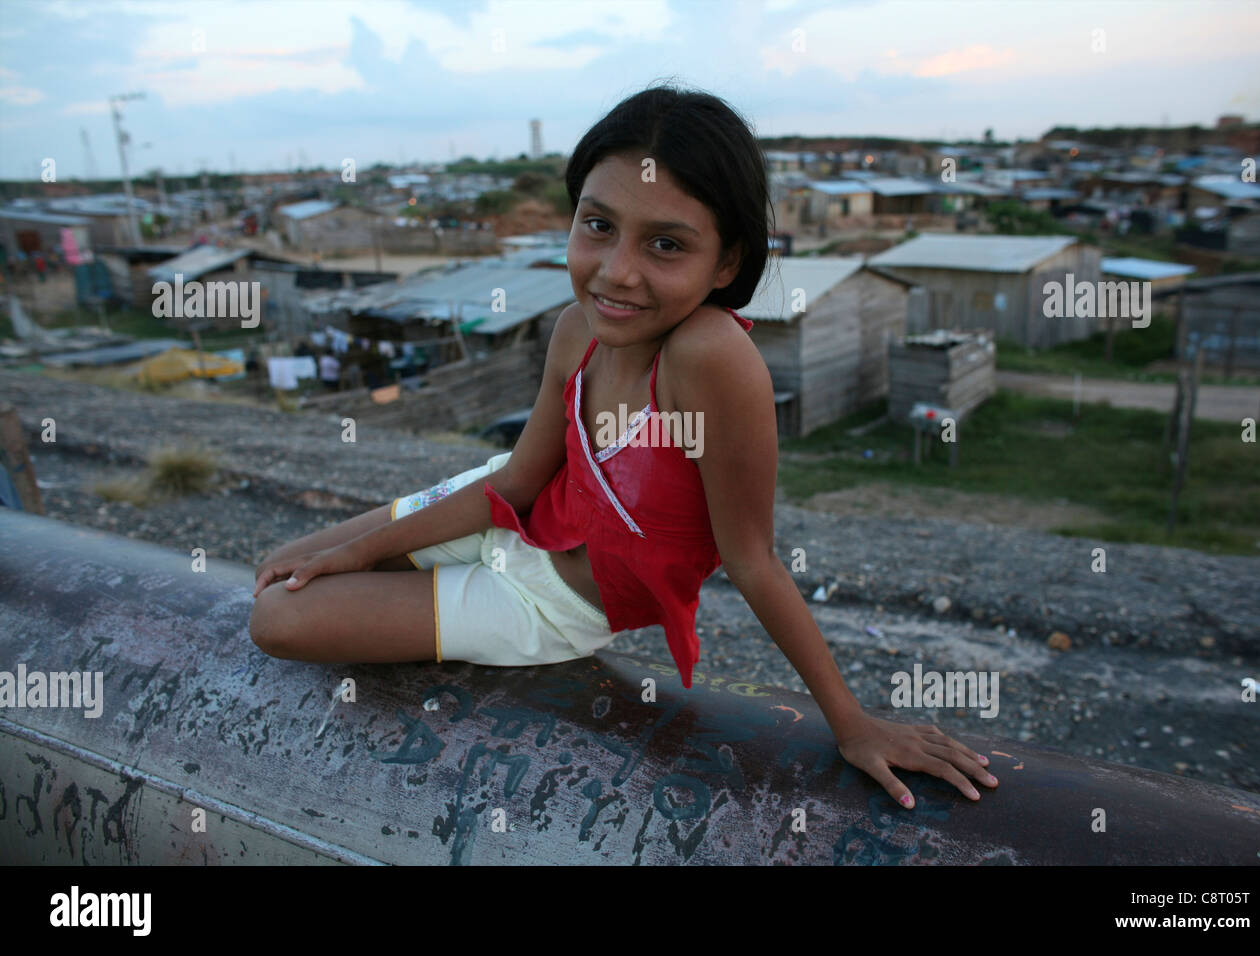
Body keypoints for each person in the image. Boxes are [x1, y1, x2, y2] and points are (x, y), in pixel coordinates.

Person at [248, 84, 996, 811]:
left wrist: (853, 724)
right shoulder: (578, 327)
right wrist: (359, 550)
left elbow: (754, 559)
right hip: (506, 510)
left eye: (665, 244)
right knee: (282, 569)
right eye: (598, 225)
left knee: (278, 620)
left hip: (544, 603)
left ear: (728, 263)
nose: (616, 272)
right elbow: (512, 483)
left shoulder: (711, 359)